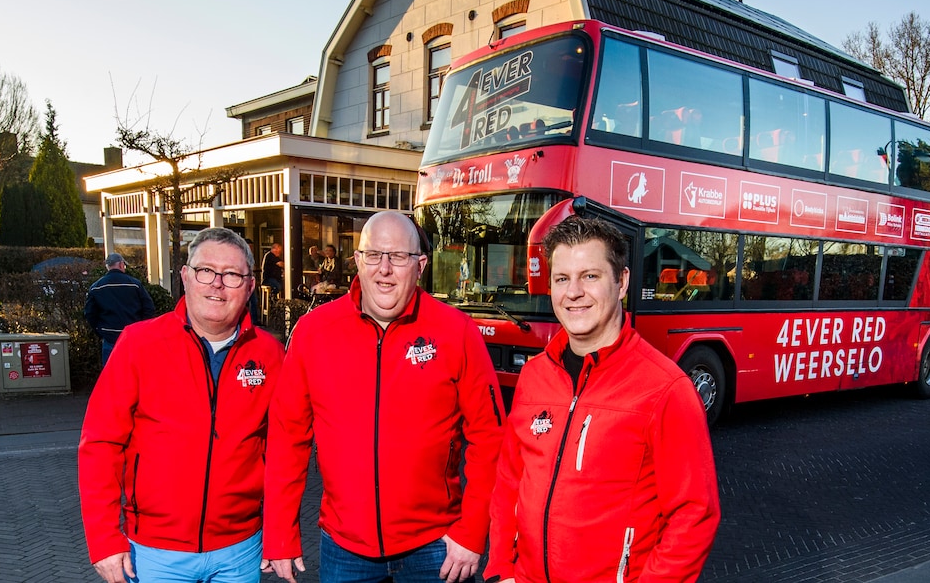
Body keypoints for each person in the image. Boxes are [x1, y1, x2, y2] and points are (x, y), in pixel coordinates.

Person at [263, 211, 504, 583]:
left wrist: (472, 532)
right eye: (374, 255)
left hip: (437, 547)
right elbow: (287, 436)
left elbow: (491, 438)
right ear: (358, 261)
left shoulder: (456, 331)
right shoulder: (314, 332)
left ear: (420, 266)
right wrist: (280, 533)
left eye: (399, 256)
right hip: (344, 547)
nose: (385, 269)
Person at [485, 216, 720, 583]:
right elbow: (509, 483)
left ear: (621, 282)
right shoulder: (534, 376)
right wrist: (501, 570)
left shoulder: (666, 389)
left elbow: (694, 515)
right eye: (562, 279)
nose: (573, 292)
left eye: (590, 276)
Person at [78, 227, 285, 583]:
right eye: (206, 271)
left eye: (232, 275)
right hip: (154, 553)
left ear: (250, 286)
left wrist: (280, 534)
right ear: (186, 277)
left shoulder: (270, 354)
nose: (217, 284)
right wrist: (103, 538)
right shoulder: (139, 344)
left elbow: (284, 449)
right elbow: (100, 443)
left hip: (240, 550)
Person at [83, 252, 156, 367]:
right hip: (133, 336)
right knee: (133, 373)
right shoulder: (135, 285)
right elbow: (149, 308)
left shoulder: (97, 287)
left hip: (109, 337)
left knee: (111, 374)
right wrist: (141, 328)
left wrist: (100, 330)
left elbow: (90, 313)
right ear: (121, 265)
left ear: (107, 266)